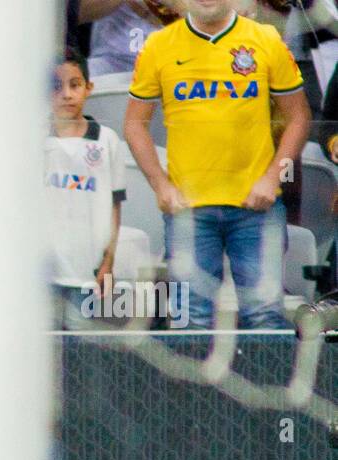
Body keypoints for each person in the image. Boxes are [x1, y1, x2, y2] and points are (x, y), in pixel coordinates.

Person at [125, 0, 311, 329]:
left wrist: (271, 178)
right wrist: (160, 185)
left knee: (264, 317)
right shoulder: (158, 45)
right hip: (188, 210)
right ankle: (193, 384)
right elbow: (134, 124)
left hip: (257, 207)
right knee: (190, 321)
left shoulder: (266, 40)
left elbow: (298, 117)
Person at [46, 49, 127, 328]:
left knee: (82, 350)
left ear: (89, 88)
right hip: (44, 271)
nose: (67, 94)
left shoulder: (107, 141)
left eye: (75, 85)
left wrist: (108, 262)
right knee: (43, 353)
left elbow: (114, 207)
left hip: (87, 272)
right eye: (57, 87)